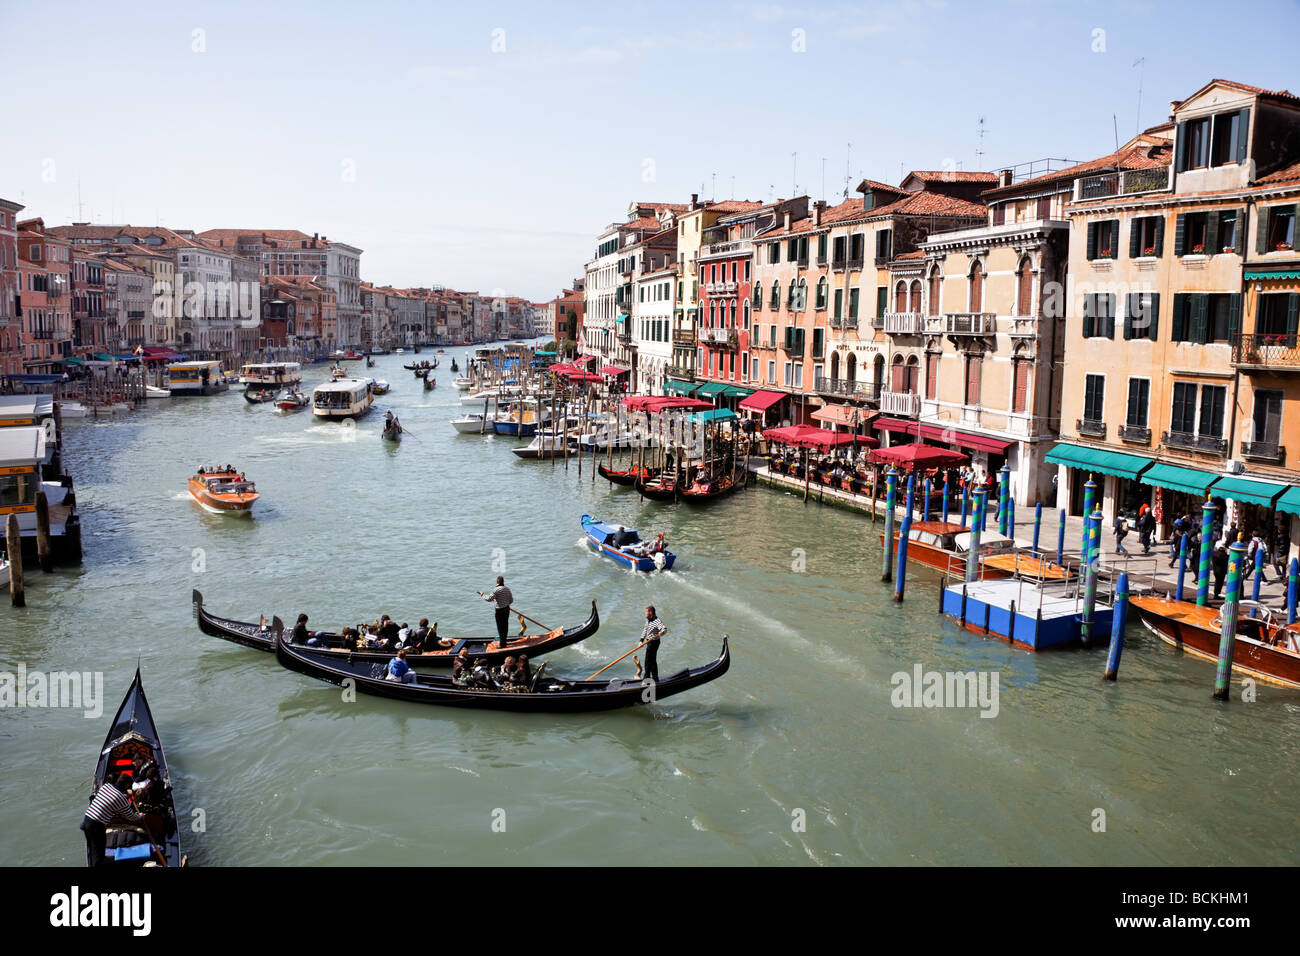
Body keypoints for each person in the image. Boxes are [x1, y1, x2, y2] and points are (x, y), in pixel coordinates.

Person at [82, 774, 144, 867]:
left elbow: (113, 799)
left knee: (94, 849)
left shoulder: (106, 786)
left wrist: (126, 794)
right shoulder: (121, 799)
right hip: (96, 825)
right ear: (127, 785)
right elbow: (130, 817)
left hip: (87, 819)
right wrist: (140, 816)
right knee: (98, 851)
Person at [480, 576, 514, 646]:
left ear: (497, 582)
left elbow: (489, 599)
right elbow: (511, 600)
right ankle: (504, 641)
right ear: (503, 582)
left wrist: (482, 595)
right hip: (507, 609)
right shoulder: (507, 589)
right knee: (505, 626)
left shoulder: (496, 590)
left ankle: (502, 644)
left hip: (500, 612)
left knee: (500, 627)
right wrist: (505, 603)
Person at [641, 605, 666, 682]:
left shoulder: (657, 621)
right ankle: (655, 678)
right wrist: (641, 640)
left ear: (650, 612)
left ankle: (647, 679)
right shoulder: (648, 620)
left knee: (648, 660)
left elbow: (664, 629)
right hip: (649, 642)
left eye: (646, 612)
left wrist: (661, 633)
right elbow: (645, 630)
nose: (645, 614)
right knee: (652, 660)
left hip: (654, 642)